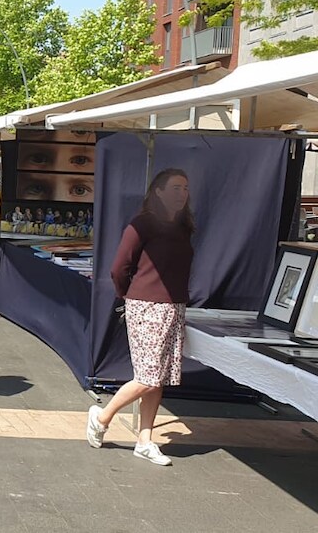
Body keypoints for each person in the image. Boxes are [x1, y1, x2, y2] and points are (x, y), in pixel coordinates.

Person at [87, 169, 194, 467]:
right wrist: (129, 296)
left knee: (157, 378)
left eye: (185, 188)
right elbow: (119, 267)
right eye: (175, 187)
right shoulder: (142, 224)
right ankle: (102, 416)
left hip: (174, 306)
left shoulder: (183, 227)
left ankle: (145, 440)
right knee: (147, 377)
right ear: (157, 192)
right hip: (146, 306)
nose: (182, 193)